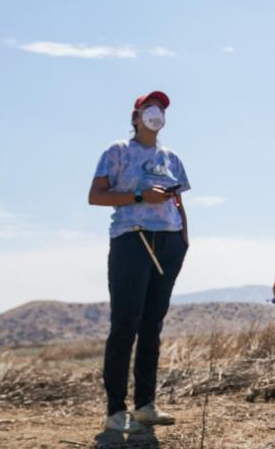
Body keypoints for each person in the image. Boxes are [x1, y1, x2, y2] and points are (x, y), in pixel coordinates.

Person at [88, 90, 190, 434]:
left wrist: (184, 239)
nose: (156, 113)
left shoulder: (171, 157)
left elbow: (178, 200)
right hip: (132, 239)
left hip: (169, 242)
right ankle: (115, 410)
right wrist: (138, 196)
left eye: (160, 109)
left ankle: (145, 406)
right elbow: (95, 195)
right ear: (136, 117)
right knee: (124, 326)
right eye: (149, 108)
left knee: (152, 327)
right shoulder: (116, 152)